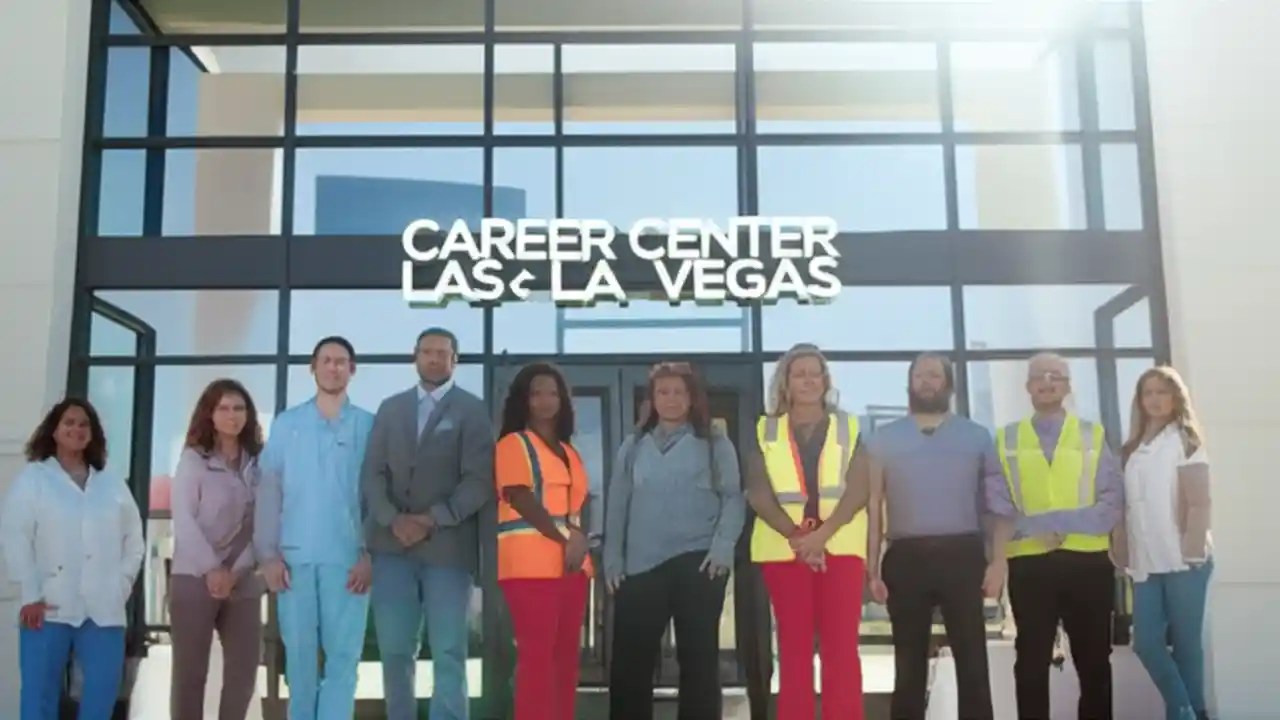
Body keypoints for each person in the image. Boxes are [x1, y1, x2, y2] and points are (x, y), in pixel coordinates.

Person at [865, 353, 1014, 720]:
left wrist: (998, 562)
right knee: (908, 664)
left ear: (948, 384)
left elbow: (997, 505)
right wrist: (872, 569)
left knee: (972, 661)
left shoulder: (977, 436)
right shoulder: (883, 439)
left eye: (934, 375)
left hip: (962, 554)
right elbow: (874, 506)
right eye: (920, 375)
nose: (926, 382)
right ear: (909, 383)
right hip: (905, 557)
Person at [362, 327, 495, 720]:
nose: (435, 359)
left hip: (448, 551)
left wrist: (431, 520)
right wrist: (392, 519)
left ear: (455, 360)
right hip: (391, 549)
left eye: (443, 353)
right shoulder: (390, 409)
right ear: (415, 356)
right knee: (395, 652)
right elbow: (372, 474)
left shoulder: (472, 410)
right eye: (428, 352)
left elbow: (478, 481)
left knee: (449, 652)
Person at [604, 361, 746, 720]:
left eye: (679, 392)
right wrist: (613, 558)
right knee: (630, 666)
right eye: (663, 392)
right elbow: (617, 505)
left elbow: (733, 498)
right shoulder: (633, 446)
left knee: (699, 664)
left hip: (697, 563)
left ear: (692, 397)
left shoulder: (715, 442)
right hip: (640, 567)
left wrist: (722, 548)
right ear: (651, 399)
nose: (671, 399)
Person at [992, 352, 1124, 720]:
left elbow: (1112, 501)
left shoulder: (1093, 435)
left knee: (1094, 662)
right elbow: (996, 503)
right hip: (1030, 565)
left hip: (1088, 563)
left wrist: (1056, 523)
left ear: (1067, 386)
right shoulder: (1006, 438)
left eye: (1056, 376)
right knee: (1031, 662)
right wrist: (1040, 529)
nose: (1047, 382)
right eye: (1039, 376)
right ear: (1027, 386)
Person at [745, 343, 871, 720]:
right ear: (785, 382)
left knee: (841, 651)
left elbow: (859, 489)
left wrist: (821, 536)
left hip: (840, 550)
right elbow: (758, 492)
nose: (808, 381)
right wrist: (799, 538)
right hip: (785, 554)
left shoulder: (849, 426)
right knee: (794, 651)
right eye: (799, 374)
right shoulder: (764, 429)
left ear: (826, 381)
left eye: (815, 373)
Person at [1, 398, 145, 720]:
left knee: (102, 694)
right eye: (69, 423)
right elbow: (15, 535)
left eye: (84, 424)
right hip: (46, 605)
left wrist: (121, 585)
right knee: (39, 696)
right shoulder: (35, 479)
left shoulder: (110, 483)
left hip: (103, 608)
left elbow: (134, 540)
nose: (76, 430)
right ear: (54, 430)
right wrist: (29, 594)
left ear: (93, 434)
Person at [255, 336, 375, 720]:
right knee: (300, 662)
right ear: (313, 368)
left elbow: (378, 496)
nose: (333, 367)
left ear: (352, 370)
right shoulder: (287, 425)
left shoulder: (368, 426)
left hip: (349, 561)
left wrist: (371, 554)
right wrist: (267, 555)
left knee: (344, 660)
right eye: (326, 360)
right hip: (295, 561)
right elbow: (269, 492)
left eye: (341, 361)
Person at [493, 362, 592, 720]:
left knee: (565, 662)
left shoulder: (570, 452)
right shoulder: (512, 444)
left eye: (553, 393)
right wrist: (567, 539)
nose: (546, 400)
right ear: (524, 400)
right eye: (537, 393)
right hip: (529, 570)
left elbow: (577, 507)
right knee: (537, 661)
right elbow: (521, 497)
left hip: (571, 568)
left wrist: (578, 544)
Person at [1114, 366, 1213, 720]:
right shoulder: (1131, 449)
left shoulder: (1186, 442)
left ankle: (1187, 713)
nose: (1155, 399)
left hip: (1185, 560)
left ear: (1176, 397)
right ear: (1140, 401)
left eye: (1162, 392)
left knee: (1186, 646)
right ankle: (1187, 711)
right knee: (1146, 643)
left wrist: (1192, 550)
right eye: (1148, 393)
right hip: (1146, 563)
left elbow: (1199, 502)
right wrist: (1121, 550)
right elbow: (1126, 506)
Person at [169, 378, 265, 720]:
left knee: (244, 673)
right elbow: (183, 519)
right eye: (223, 408)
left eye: (239, 408)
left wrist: (235, 572)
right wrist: (212, 569)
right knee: (190, 675)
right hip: (194, 577)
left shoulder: (260, 463)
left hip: (244, 577)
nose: (232, 415)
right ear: (209, 414)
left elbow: (265, 522)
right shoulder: (193, 460)